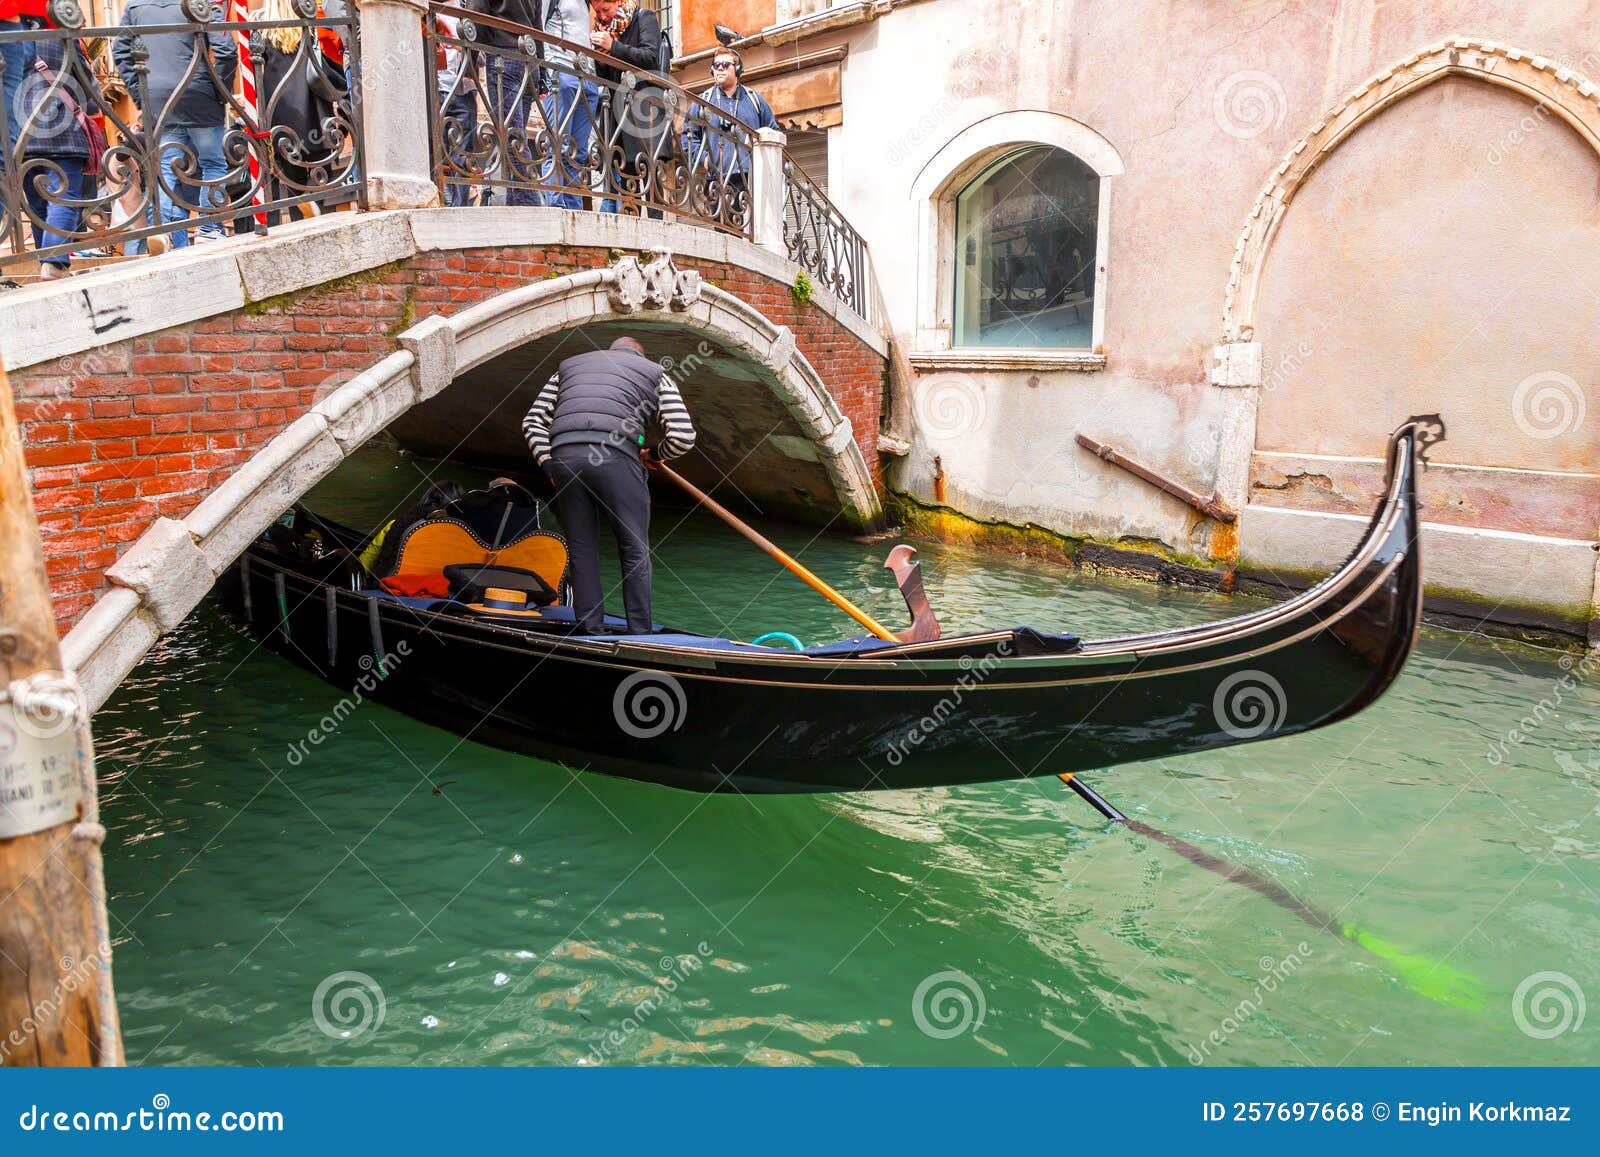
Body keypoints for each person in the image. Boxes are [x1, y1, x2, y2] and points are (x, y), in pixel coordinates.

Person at [521, 336, 696, 634]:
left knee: (581, 548)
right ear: (640, 355)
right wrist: (653, 455)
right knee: (634, 548)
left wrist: (550, 465)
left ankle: (590, 629)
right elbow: (682, 436)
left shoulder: (567, 367)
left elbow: (532, 422)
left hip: (565, 458)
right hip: (616, 458)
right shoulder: (656, 373)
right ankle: (640, 633)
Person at [113, 0, 237, 248]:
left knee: (168, 168)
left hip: (158, 96)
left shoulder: (135, 7)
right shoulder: (202, 4)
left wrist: (140, 94)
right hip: (198, 92)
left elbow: (120, 52)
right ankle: (209, 228)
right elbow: (226, 51)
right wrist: (220, 90)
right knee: (213, 162)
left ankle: (163, 232)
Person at [251, 0, 348, 223]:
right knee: (320, 167)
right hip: (310, 100)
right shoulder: (307, 15)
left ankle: (300, 216)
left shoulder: (259, 22)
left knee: (290, 173)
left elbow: (256, 62)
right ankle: (319, 216)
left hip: (279, 102)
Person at [15, 24, 99, 279]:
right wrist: (93, 106)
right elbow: (85, 82)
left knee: (38, 203)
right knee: (63, 197)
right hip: (62, 131)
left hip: (20, 133)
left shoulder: (10, 38)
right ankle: (55, 263)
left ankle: (48, 262)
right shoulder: (60, 36)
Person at [590, 0, 667, 216]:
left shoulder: (644, 17)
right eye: (597, 12)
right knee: (625, 183)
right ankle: (629, 245)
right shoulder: (604, 32)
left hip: (644, 112)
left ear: (619, 2)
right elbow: (604, 80)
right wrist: (601, 60)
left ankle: (656, 240)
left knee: (651, 183)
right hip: (617, 117)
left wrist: (613, 47)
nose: (602, 16)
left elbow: (651, 57)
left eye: (606, 9)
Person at [463, 0, 544, 206]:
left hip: (503, 59)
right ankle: (515, 202)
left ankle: (530, 204)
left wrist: (468, 64)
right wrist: (542, 72)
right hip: (529, 61)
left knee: (511, 138)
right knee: (516, 138)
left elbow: (476, 15)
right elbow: (537, 26)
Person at [683, 45, 775, 222]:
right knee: (724, 231)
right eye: (716, 65)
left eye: (725, 65)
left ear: (737, 69)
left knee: (755, 230)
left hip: (751, 177)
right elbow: (688, 136)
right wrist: (704, 159)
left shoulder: (754, 99)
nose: (719, 68)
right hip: (717, 177)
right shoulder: (703, 101)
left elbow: (773, 132)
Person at [535, 0, 601, 208]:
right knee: (558, 144)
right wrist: (545, 72)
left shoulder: (586, 3)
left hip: (587, 78)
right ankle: (555, 206)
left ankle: (574, 207)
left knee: (578, 152)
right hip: (561, 70)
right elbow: (539, 29)